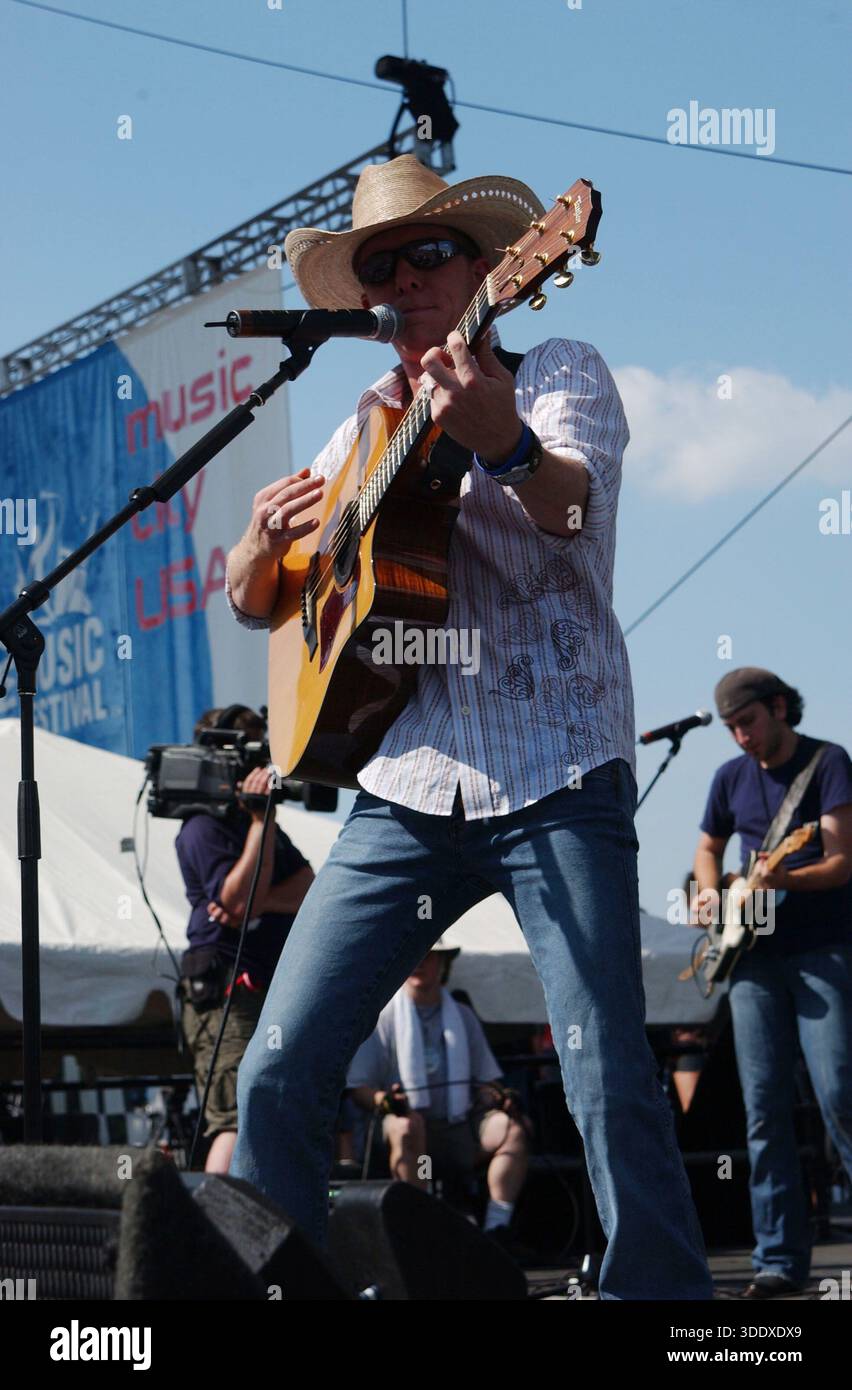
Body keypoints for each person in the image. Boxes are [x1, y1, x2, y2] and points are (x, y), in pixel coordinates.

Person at [225, 153, 712, 1299]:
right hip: (405, 787)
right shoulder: (358, 438)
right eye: (382, 267)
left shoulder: (557, 374)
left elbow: (574, 511)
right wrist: (253, 550)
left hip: (556, 770)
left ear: (496, 267)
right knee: (277, 1071)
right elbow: (266, 600)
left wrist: (502, 440)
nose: (405, 280)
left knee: (603, 1072)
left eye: (428, 254)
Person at [692, 667, 852, 1298]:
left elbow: (841, 862)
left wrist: (778, 879)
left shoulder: (829, 763)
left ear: (780, 707)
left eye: (749, 722)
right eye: (731, 728)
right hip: (751, 960)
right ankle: (779, 1261)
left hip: (821, 952)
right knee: (762, 1110)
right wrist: (711, 892)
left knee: (840, 1092)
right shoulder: (729, 778)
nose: (740, 738)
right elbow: (708, 846)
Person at [175, 705, 314, 1173]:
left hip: (265, 987)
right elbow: (235, 905)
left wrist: (258, 899)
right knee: (234, 1118)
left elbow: (309, 889)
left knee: (269, 1111)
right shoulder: (202, 825)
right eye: (255, 752)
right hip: (227, 995)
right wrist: (259, 826)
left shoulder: (260, 823)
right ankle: (215, 1233)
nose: (265, 767)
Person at [347, 938, 528, 1236]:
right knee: (408, 1125)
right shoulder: (382, 1017)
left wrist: (497, 1097)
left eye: (429, 956)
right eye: (415, 954)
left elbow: (485, 1082)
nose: (420, 962)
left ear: (443, 964)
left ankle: (497, 1228)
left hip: (457, 1128)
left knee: (511, 1129)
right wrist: (387, 1101)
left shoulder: (464, 1017)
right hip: (405, 1133)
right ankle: (421, 1228)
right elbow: (358, 1088)